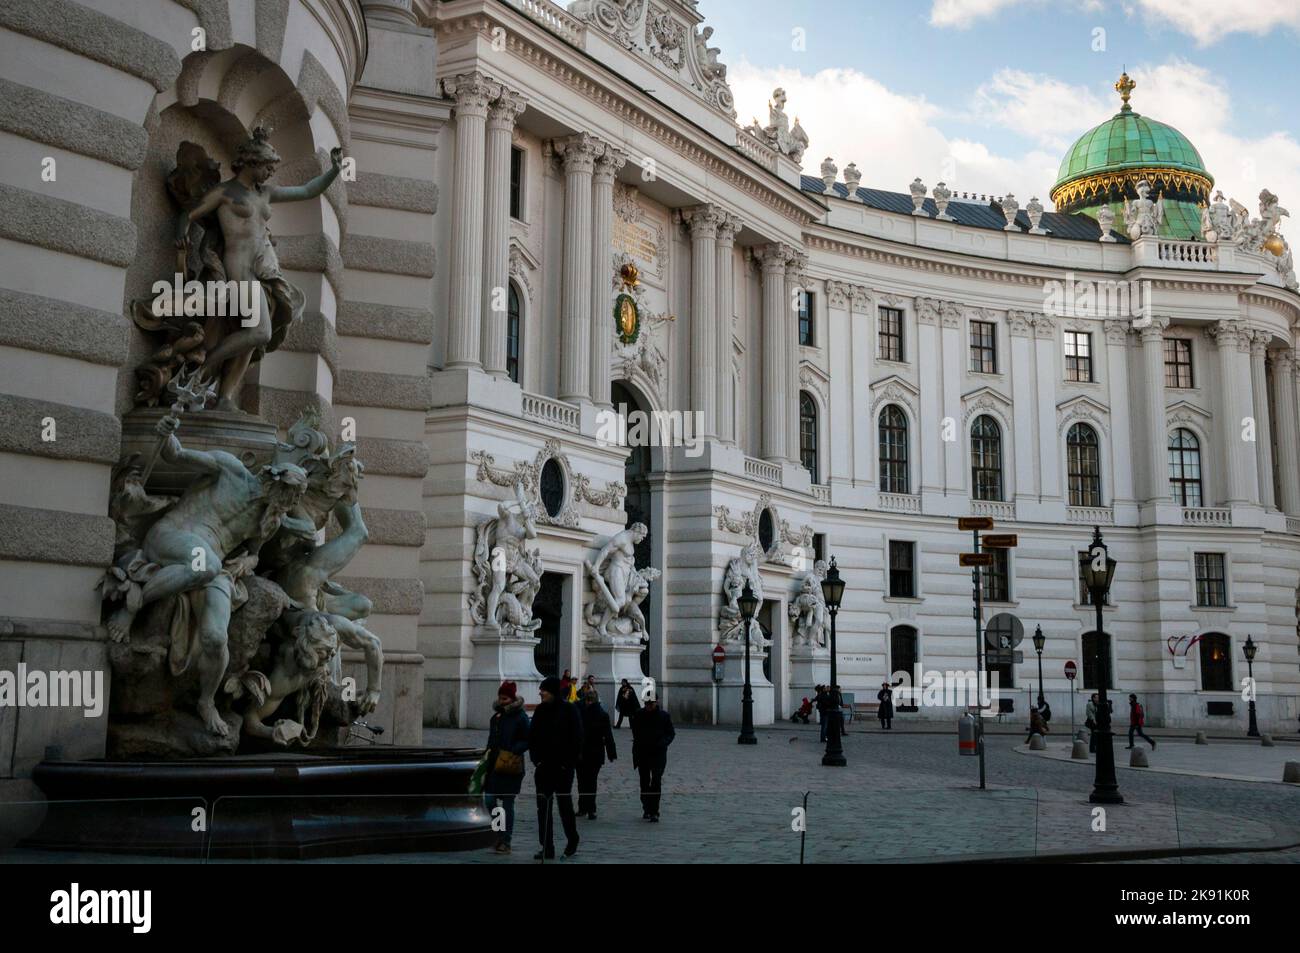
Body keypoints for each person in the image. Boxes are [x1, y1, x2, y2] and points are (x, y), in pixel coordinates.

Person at [529, 676, 583, 859]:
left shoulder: (569, 710)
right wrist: (536, 760)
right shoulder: (540, 710)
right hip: (544, 767)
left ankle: (572, 839)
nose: (540, 693)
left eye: (543, 690)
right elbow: (533, 737)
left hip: (563, 768)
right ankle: (547, 846)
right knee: (543, 809)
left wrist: (568, 763)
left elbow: (577, 738)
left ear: (552, 691)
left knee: (564, 806)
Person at [483, 680, 529, 854]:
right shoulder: (496, 717)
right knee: (490, 800)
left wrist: (513, 750)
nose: (501, 701)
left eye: (505, 698)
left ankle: (505, 840)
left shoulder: (520, 717)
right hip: (494, 765)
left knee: (508, 804)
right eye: (500, 698)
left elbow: (527, 739)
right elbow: (491, 741)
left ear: (512, 698)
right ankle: (498, 834)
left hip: (511, 765)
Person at [631, 679, 675, 821]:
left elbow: (671, 733)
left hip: (658, 753)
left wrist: (663, 743)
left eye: (651, 703)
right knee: (644, 782)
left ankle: (654, 810)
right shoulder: (639, 714)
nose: (649, 706)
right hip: (643, 753)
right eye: (646, 703)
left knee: (656, 781)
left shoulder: (664, 716)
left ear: (657, 702)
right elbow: (635, 732)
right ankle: (646, 807)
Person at [576, 685, 617, 819]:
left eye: (588, 700)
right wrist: (611, 753)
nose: (587, 702)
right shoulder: (601, 714)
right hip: (592, 753)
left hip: (586, 753)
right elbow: (608, 736)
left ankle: (585, 808)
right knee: (588, 781)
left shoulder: (583, 713)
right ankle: (588, 808)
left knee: (585, 781)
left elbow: (607, 735)